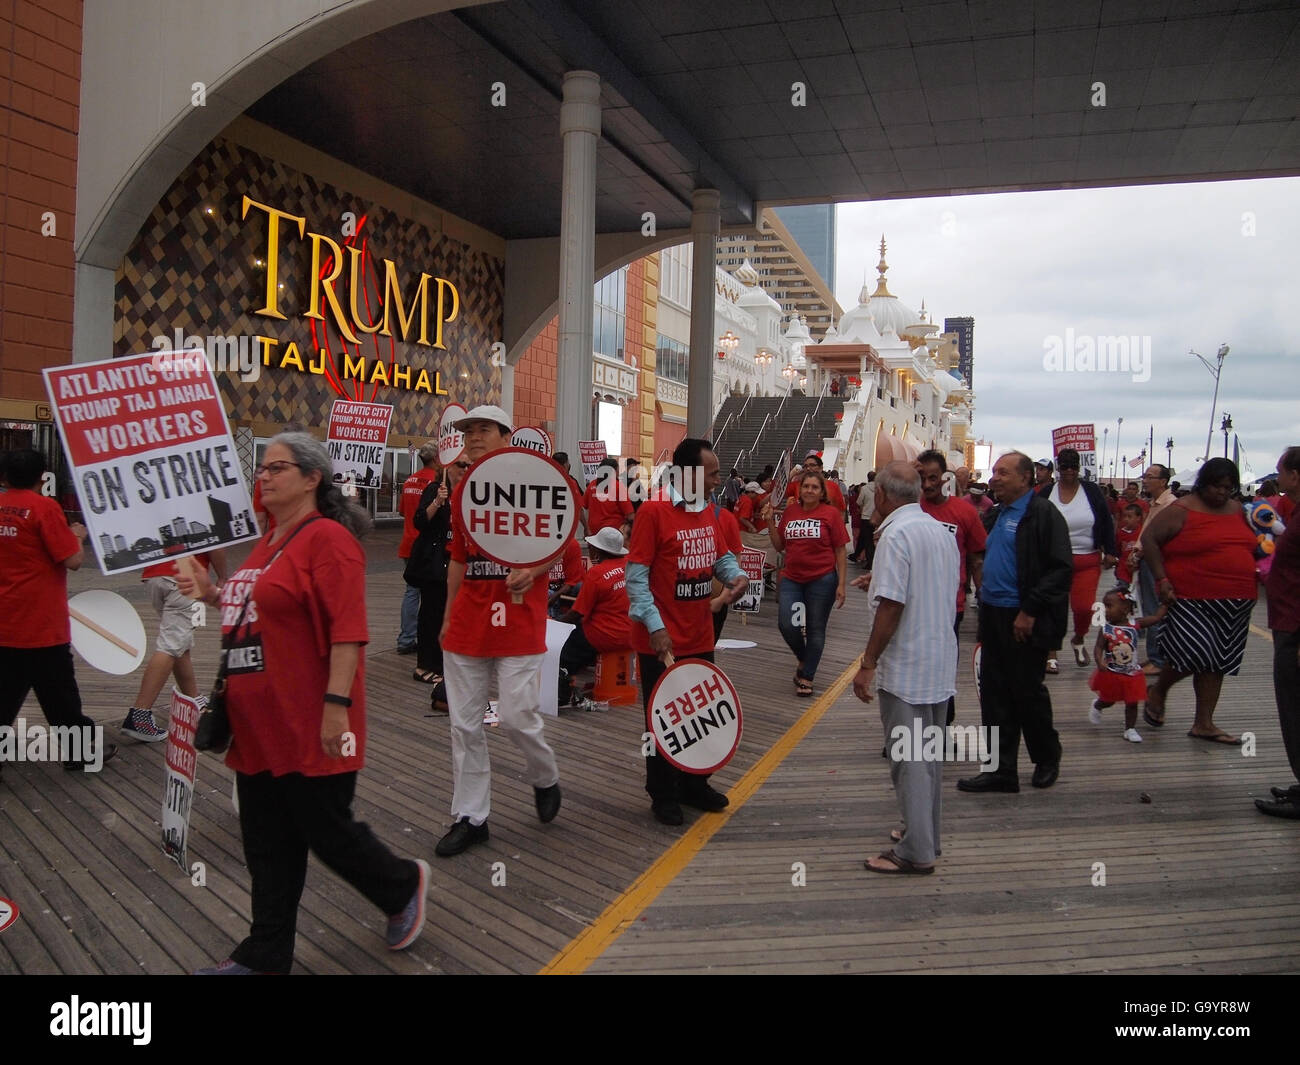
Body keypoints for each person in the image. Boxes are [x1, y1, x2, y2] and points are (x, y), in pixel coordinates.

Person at [181, 432, 428, 973]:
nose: (263, 477)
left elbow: (349, 632)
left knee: (326, 830)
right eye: (262, 470)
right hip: (255, 720)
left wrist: (336, 706)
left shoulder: (329, 542)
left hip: (312, 715)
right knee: (266, 843)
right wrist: (213, 593)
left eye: (277, 468)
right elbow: (262, 606)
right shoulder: (269, 540)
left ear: (312, 478)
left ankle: (401, 883)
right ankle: (265, 954)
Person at [436, 405, 563, 855]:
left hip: (521, 618)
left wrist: (534, 569)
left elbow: (561, 541)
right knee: (463, 725)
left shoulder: (540, 481)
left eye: (483, 429)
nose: (472, 437)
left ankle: (544, 775)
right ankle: (471, 816)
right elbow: (457, 558)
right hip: (469, 619)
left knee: (515, 715)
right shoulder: (461, 491)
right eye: (467, 430)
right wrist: (448, 614)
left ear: (505, 434)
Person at [626, 438, 748, 826]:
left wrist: (735, 576)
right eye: (712, 474)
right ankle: (662, 793)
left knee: (702, 713)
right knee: (663, 718)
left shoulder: (708, 510)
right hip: (661, 641)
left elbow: (720, 555)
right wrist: (655, 627)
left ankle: (696, 783)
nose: (717, 481)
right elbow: (636, 577)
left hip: (699, 635)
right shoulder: (654, 511)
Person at [851, 462, 958, 875]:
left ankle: (916, 851)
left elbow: (892, 604)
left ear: (881, 495)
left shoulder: (895, 535)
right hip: (937, 659)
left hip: (908, 661)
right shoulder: (938, 531)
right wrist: (877, 579)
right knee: (927, 754)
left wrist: (868, 662)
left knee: (907, 756)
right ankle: (925, 831)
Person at [958, 452, 1071, 794]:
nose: (995, 478)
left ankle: (1046, 757)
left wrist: (1030, 611)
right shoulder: (996, 513)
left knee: (1027, 693)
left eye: (1003, 472)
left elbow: (1060, 569)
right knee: (993, 694)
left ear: (1025, 478)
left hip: (1023, 616)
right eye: (994, 472)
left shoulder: (1043, 515)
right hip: (992, 614)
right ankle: (1000, 770)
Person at [0, 449, 115, 776]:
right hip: (42, 625)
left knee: (4, 696)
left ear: (5, 477)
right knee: (60, 698)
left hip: (5, 622)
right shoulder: (44, 508)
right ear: (43, 477)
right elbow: (72, 560)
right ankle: (79, 753)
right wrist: (77, 536)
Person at [1140, 458, 1258, 744]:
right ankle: (1159, 690)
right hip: (1191, 597)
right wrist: (1162, 579)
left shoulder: (1238, 510)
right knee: (1195, 653)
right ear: (1204, 484)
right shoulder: (1180, 509)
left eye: (1228, 488)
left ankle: (1204, 723)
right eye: (1217, 486)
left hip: (1236, 599)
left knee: (1216, 662)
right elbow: (1151, 540)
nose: (1222, 493)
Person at [123, 548, 229, 740]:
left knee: (180, 640)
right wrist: (222, 576)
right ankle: (139, 714)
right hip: (185, 574)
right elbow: (215, 544)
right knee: (171, 646)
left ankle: (193, 699)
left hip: (154, 573)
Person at [916, 450, 986, 725]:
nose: (928, 484)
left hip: (949, 605)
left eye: (933, 477)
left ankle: (942, 726)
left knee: (943, 668)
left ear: (944, 478)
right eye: (922, 477)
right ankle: (909, 726)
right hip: (911, 604)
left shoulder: (963, 511)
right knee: (914, 667)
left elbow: (977, 557)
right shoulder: (909, 507)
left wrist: (984, 599)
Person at [768, 468, 848, 696]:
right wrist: (770, 523)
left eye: (814, 487)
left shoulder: (830, 514)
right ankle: (805, 659)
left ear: (822, 491)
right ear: (799, 490)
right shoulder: (791, 511)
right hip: (792, 578)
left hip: (822, 579)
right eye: (806, 486)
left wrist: (841, 584)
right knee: (786, 624)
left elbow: (840, 551)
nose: (809, 490)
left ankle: (807, 676)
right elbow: (779, 546)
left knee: (815, 628)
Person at [1039, 448, 1117, 674]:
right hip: (1054, 560)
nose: (1070, 471)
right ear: (1058, 468)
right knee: (1054, 608)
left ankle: (1079, 638)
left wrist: (1110, 550)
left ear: (1079, 468)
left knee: (1083, 608)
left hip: (1087, 558)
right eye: (1065, 467)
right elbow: (1036, 521)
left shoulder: (1091, 492)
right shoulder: (1046, 493)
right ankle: (1051, 653)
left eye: (1074, 466)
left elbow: (1105, 520)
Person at [1256, 447, 1300, 818]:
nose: (1278, 478)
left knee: (1295, 707)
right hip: (1287, 621)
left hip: (1295, 627)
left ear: (1295, 476)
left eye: (1280, 472)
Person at [408, 456, 469, 684]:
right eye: (460, 465)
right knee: (431, 614)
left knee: (448, 612)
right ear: (448, 467)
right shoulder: (436, 488)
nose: (464, 469)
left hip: (452, 561)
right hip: (433, 563)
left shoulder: (464, 492)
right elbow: (419, 521)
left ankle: (442, 662)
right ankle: (425, 665)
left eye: (468, 465)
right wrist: (437, 502)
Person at [1088, 589, 1168, 743]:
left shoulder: (1134, 625)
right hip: (1112, 672)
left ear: (1125, 609)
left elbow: (1155, 618)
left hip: (1132, 673)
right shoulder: (1106, 629)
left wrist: (1165, 605)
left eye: (1109, 606)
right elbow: (1098, 647)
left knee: (1132, 702)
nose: (1105, 610)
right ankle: (1098, 705)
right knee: (1109, 699)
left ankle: (1130, 729)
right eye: (1104, 606)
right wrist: (1099, 661)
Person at [558, 527, 630, 679]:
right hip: (631, 633)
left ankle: (564, 690)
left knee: (563, 652)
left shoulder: (596, 573)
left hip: (605, 636)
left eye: (591, 547)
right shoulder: (629, 566)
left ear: (597, 550)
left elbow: (576, 613)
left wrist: (555, 625)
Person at [396, 443, 440, 654]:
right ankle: (421, 639)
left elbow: (404, 512)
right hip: (426, 545)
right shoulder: (436, 482)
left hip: (407, 543)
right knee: (431, 595)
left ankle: (406, 638)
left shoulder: (409, 480)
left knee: (411, 592)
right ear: (435, 458)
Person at [1136, 463, 1176, 672]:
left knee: (1155, 609)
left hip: (1155, 563)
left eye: (1150, 477)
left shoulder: (1169, 504)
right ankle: (1154, 655)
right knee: (1151, 606)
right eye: (1145, 476)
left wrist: (1140, 552)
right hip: (1149, 561)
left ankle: (1158, 660)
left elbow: (1158, 538)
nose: (1145, 480)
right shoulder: (1155, 503)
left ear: (1163, 481)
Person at [583, 457, 633, 539]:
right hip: (613, 535)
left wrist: (586, 527)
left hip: (594, 534)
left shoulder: (592, 485)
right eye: (617, 470)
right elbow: (630, 515)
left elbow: (583, 506)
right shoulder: (618, 487)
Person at [1113, 503, 1145, 587]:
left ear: (1138, 518)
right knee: (1123, 588)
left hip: (1138, 569)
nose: (1126, 519)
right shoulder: (1120, 533)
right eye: (1125, 516)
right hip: (1123, 568)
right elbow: (1117, 550)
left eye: (1130, 517)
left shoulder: (1142, 532)